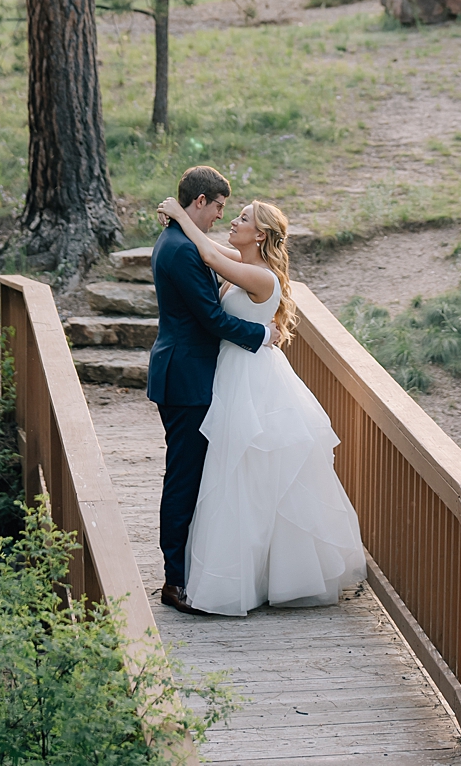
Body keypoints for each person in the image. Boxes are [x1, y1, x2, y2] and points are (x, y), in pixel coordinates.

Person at [156, 191, 366, 616]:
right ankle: (236, 571)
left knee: (245, 472)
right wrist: (185, 222)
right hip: (231, 374)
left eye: (243, 218)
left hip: (250, 380)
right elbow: (209, 247)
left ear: (262, 234)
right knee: (233, 473)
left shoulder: (263, 276)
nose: (232, 221)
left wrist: (179, 212)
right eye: (231, 213)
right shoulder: (243, 264)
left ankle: (252, 574)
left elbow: (211, 258)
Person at [147, 165, 279, 614]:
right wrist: (263, 337)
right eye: (220, 206)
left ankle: (188, 569)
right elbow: (212, 319)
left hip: (191, 374)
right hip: (186, 378)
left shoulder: (182, 241)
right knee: (184, 479)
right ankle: (175, 580)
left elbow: (218, 256)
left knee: (195, 476)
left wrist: (179, 217)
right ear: (200, 201)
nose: (223, 216)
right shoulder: (181, 249)